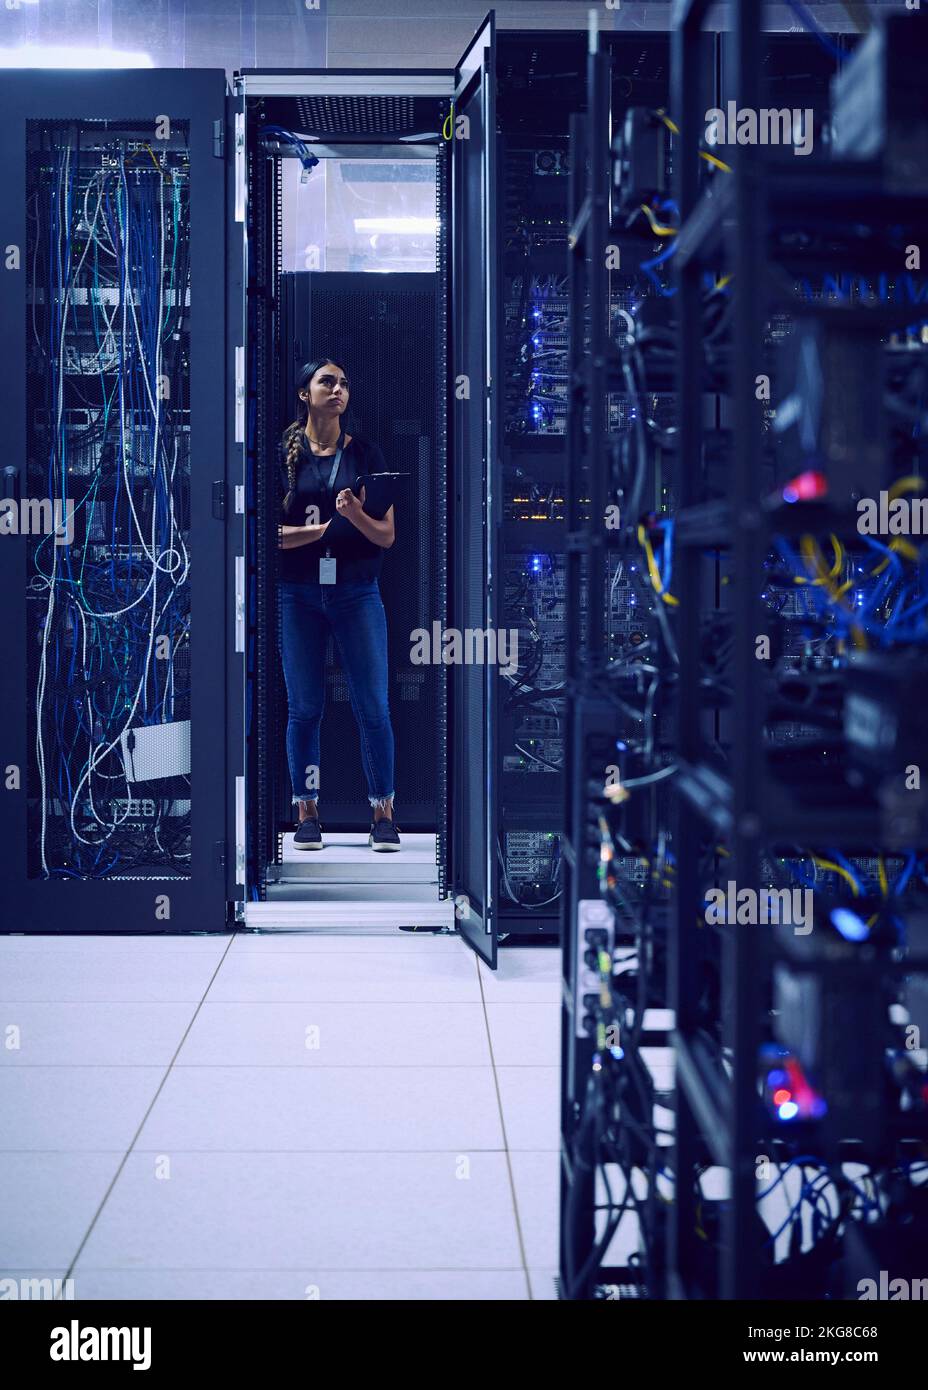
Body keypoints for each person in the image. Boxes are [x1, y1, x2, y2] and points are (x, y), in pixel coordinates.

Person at [277, 356, 400, 852]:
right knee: (305, 707)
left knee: (374, 705)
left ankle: (384, 812)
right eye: (327, 381)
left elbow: (386, 535)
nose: (338, 389)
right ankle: (306, 810)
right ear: (305, 393)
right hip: (299, 594)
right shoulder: (282, 454)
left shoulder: (366, 454)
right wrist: (325, 529)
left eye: (345, 383)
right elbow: (267, 535)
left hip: (356, 591)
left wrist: (354, 514)